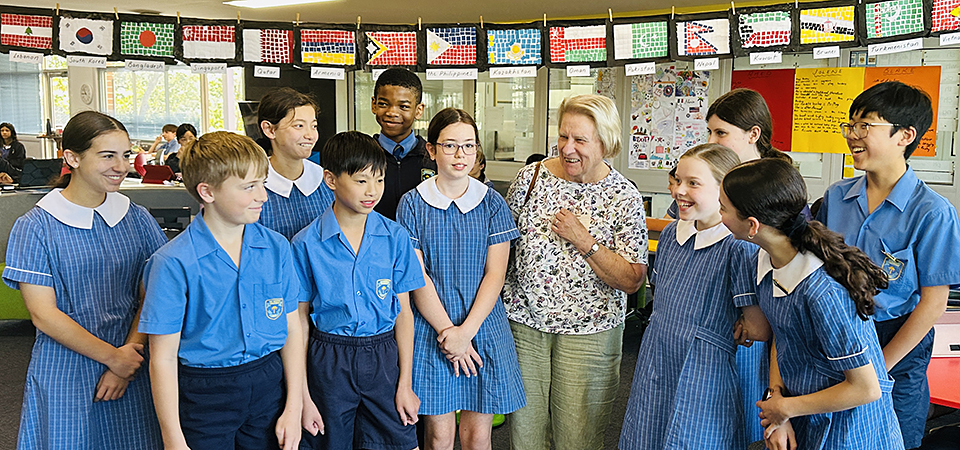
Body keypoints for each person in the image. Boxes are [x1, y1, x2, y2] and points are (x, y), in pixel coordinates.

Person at [2, 111, 166, 449]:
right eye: (107, 156)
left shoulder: (137, 217)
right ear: (72, 157)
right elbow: (43, 315)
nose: (120, 166)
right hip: (67, 367)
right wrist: (112, 358)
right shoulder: (36, 226)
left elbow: (153, 291)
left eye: (125, 154)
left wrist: (127, 357)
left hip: (132, 360)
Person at [721, 158, 904, 450]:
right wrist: (776, 400)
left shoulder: (823, 291)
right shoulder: (767, 261)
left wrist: (785, 409)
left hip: (850, 431)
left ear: (752, 225)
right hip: (807, 411)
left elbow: (865, 388)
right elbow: (783, 336)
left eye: (723, 208)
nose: (720, 216)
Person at [816, 81, 960, 449]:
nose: (853, 136)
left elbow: (933, 304)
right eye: (851, 126)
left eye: (866, 126)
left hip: (897, 341)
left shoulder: (932, 213)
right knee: (835, 435)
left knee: (892, 437)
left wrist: (879, 367)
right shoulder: (836, 197)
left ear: (905, 136)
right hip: (839, 333)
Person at [139, 131, 304, 450]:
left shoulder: (276, 247)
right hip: (205, 392)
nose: (263, 196)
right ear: (207, 191)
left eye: (263, 184)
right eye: (249, 187)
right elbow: (162, 358)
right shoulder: (172, 262)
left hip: (269, 382)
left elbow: (291, 327)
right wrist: (173, 439)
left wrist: (293, 406)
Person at [503, 94, 647, 450]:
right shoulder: (531, 178)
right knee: (526, 434)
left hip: (590, 334)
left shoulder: (622, 196)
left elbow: (632, 279)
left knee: (578, 437)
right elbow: (502, 245)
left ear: (606, 142)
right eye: (563, 136)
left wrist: (584, 240)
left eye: (580, 140)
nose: (568, 148)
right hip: (525, 326)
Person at [619, 143, 768, 450]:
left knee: (695, 438)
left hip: (704, 366)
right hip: (659, 353)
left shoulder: (738, 247)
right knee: (649, 430)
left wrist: (744, 326)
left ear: (724, 190)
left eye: (693, 183)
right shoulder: (672, 236)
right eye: (678, 180)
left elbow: (756, 325)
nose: (680, 191)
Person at [397, 108, 525, 450]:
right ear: (431, 149)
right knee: (438, 435)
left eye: (469, 146)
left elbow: (495, 275)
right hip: (432, 329)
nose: (460, 155)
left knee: (477, 434)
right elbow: (416, 276)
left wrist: (465, 334)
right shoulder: (412, 204)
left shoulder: (493, 203)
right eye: (450, 145)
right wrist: (448, 333)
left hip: (481, 326)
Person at [293, 131, 424, 450]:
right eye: (361, 180)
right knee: (330, 442)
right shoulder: (306, 243)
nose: (372, 191)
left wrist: (405, 383)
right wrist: (302, 396)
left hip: (383, 356)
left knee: (398, 441)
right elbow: (298, 323)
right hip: (329, 359)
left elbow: (404, 313)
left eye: (378, 180)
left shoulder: (395, 237)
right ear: (331, 179)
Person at [257, 87, 334, 240]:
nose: (310, 135)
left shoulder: (327, 183)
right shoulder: (253, 186)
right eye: (299, 126)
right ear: (270, 130)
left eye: (314, 126)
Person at [371, 67, 437, 220]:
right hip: (373, 241)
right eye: (383, 104)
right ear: (374, 104)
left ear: (419, 110)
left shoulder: (433, 158)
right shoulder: (363, 154)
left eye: (404, 106)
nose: (392, 112)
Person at [706, 88, 791, 163]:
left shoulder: (772, 180)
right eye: (709, 132)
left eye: (721, 133)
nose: (710, 142)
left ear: (753, 135)